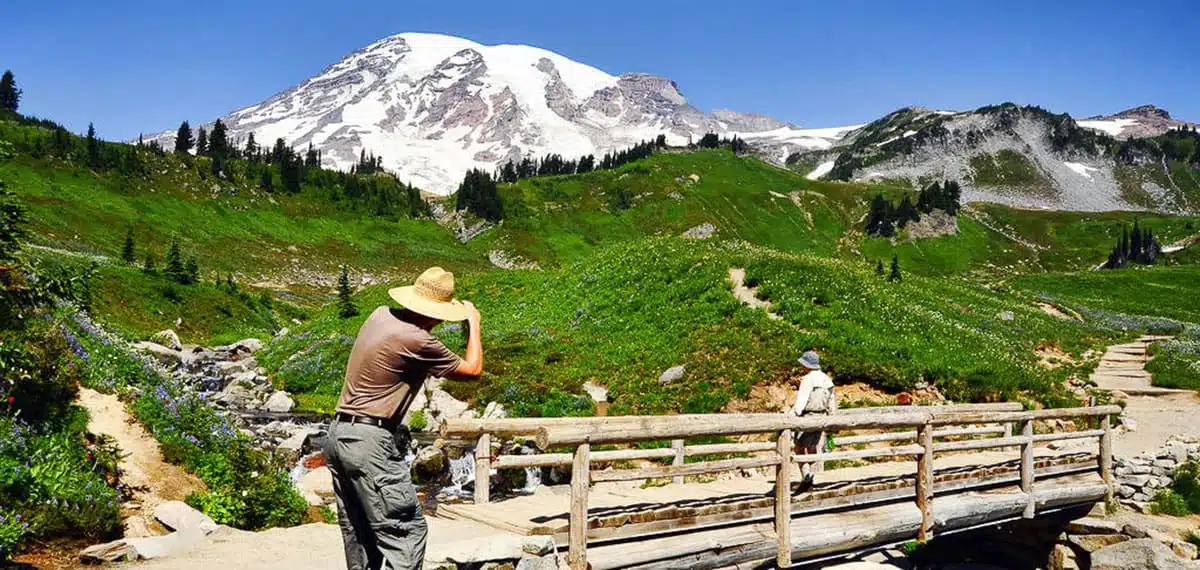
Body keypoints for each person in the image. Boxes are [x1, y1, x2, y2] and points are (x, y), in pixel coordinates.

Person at [322, 267, 483, 570]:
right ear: (438, 312)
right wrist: (473, 323)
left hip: (338, 435)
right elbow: (472, 370)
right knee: (406, 531)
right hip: (370, 443)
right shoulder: (418, 340)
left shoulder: (380, 315)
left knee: (361, 533)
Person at [792, 349, 835, 486]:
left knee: (799, 447)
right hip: (821, 417)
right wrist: (832, 418)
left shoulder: (808, 379)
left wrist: (795, 413)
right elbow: (831, 402)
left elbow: (802, 400)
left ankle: (806, 475)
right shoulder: (827, 380)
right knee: (812, 447)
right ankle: (811, 474)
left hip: (808, 416)